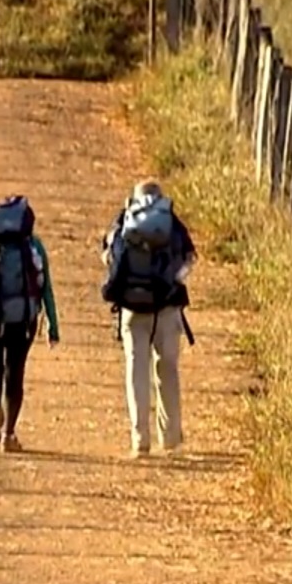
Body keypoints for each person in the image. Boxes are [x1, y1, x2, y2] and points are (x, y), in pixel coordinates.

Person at [100, 180, 197, 457]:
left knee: (136, 372)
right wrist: (171, 282)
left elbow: (108, 256)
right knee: (167, 372)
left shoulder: (124, 219)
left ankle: (140, 437)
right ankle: (170, 438)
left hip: (132, 310)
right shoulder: (171, 222)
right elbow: (189, 259)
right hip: (167, 310)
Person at [0, 194, 60, 453]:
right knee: (14, 374)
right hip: (23, 319)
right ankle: (9, 434)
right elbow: (45, 287)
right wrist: (52, 325)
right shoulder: (33, 245)